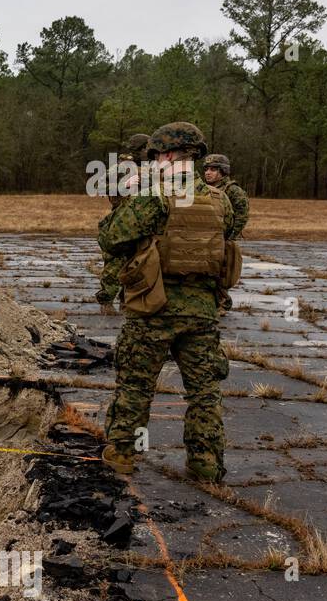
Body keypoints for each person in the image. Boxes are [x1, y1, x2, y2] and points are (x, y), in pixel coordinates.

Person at [100, 122, 237, 483]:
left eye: (157, 156)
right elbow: (229, 235)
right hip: (202, 313)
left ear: (170, 155)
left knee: (135, 387)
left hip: (153, 309)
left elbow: (113, 238)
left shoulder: (155, 195)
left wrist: (122, 201)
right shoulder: (219, 198)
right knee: (205, 393)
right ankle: (205, 465)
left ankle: (122, 455)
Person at [96, 133, 152, 311]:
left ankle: (126, 300)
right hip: (121, 220)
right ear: (139, 149)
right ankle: (106, 301)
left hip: (142, 222)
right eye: (146, 149)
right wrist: (125, 185)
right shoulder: (120, 168)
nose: (149, 152)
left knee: (137, 263)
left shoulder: (150, 168)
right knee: (115, 263)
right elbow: (99, 187)